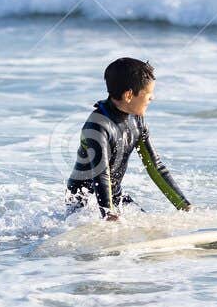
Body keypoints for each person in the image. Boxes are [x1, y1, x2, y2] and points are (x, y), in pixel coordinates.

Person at [66, 57, 193, 220]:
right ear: (128, 95)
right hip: (83, 200)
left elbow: (155, 167)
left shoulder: (137, 120)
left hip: (114, 194)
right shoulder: (98, 126)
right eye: (148, 93)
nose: (152, 98)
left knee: (146, 225)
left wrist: (184, 206)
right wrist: (109, 214)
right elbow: (101, 174)